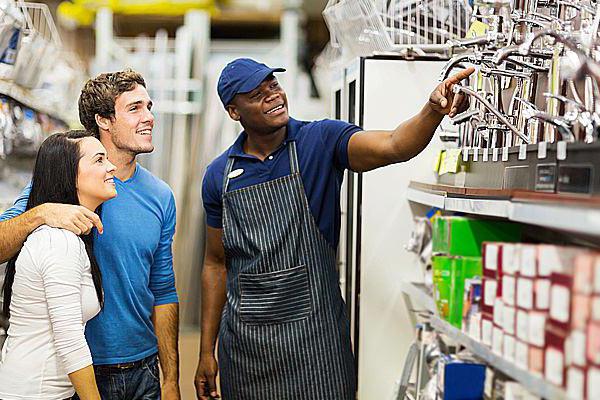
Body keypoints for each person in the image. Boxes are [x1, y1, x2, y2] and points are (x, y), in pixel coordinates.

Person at [194, 58, 474, 399]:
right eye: (257, 94)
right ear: (234, 112)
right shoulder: (219, 176)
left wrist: (431, 110)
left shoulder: (319, 140)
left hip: (316, 345)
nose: (272, 95)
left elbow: (395, 145)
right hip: (248, 351)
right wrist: (206, 351)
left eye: (273, 85)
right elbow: (215, 263)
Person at [0, 70, 181, 400]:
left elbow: (163, 289)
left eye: (149, 106)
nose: (149, 117)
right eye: (135, 108)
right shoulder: (59, 189)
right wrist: (41, 213)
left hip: (143, 369)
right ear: (104, 119)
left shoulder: (161, 195)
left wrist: (171, 378)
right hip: (81, 372)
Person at [0, 130, 116, 399]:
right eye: (99, 160)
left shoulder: (69, 237)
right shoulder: (58, 241)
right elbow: (70, 340)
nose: (111, 167)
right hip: (33, 392)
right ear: (68, 174)